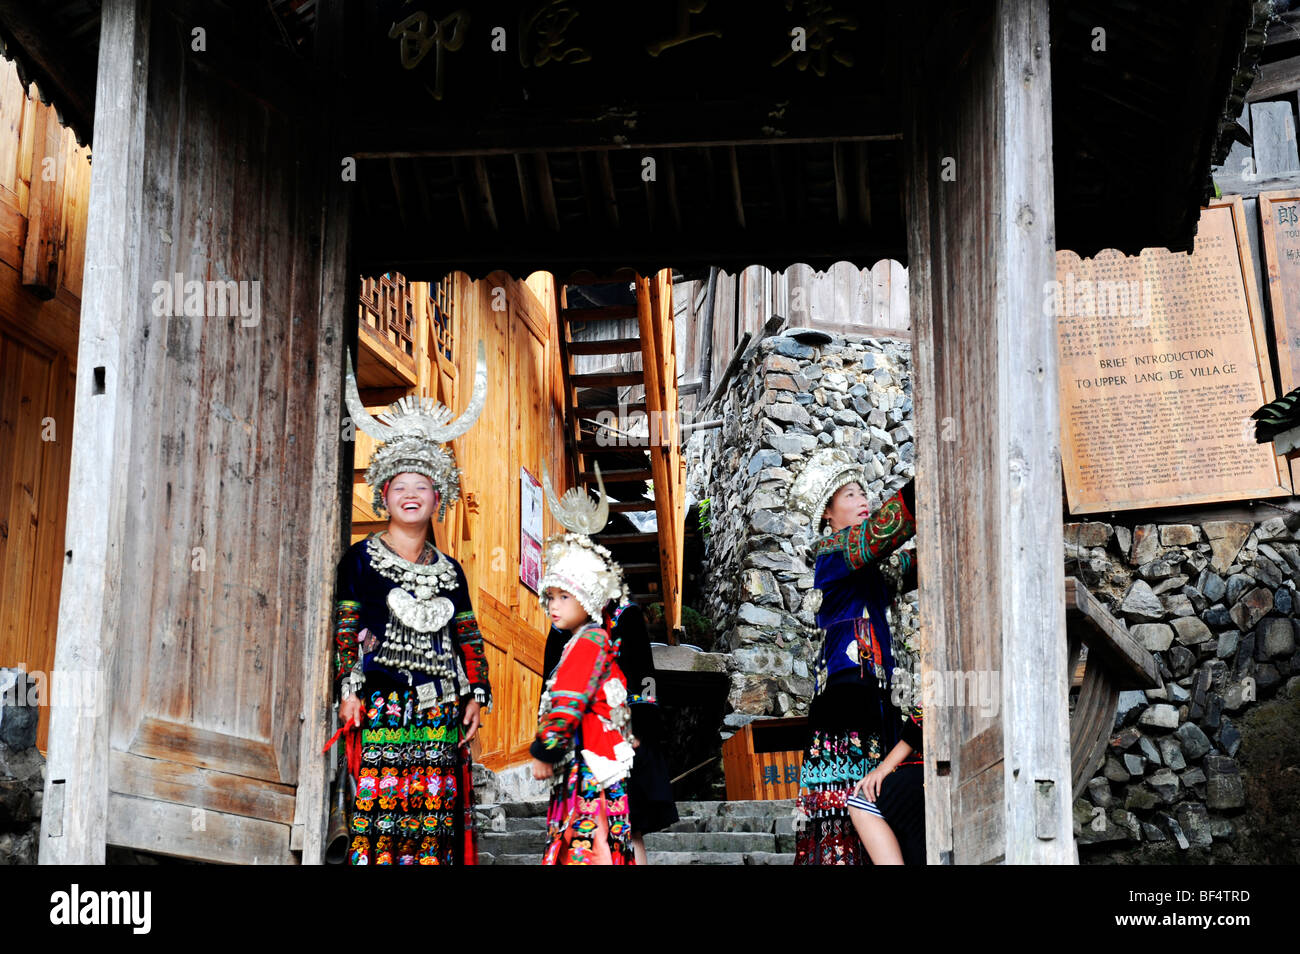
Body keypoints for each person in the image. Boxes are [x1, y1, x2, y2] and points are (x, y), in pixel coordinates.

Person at [333, 343, 492, 865]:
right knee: (382, 826)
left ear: (436, 497)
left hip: (439, 709)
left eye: (420, 486)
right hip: (381, 706)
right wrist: (348, 687)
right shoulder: (360, 560)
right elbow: (346, 627)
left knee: (433, 827)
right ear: (383, 494)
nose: (410, 495)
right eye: (400, 485)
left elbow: (466, 637)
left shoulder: (451, 571)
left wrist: (478, 695)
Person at [786, 447, 924, 865]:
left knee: (874, 791)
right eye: (850, 496)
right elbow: (885, 530)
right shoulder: (833, 553)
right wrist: (928, 482)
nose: (862, 501)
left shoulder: (875, 566)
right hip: (846, 694)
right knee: (847, 794)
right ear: (828, 513)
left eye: (863, 494)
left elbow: (921, 560)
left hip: (880, 696)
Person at [530, 464, 637, 865]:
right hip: (602, 759)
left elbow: (569, 699)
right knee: (602, 840)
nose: (554, 606)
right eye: (551, 596)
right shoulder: (597, 642)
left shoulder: (588, 641)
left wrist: (546, 748)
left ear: (588, 600)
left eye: (564, 597)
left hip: (587, 762)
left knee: (588, 843)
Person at [541, 586, 679, 863]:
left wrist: (640, 730)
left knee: (628, 828)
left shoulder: (625, 615)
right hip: (578, 745)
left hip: (624, 739)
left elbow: (644, 675)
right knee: (574, 826)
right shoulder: (561, 628)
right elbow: (549, 685)